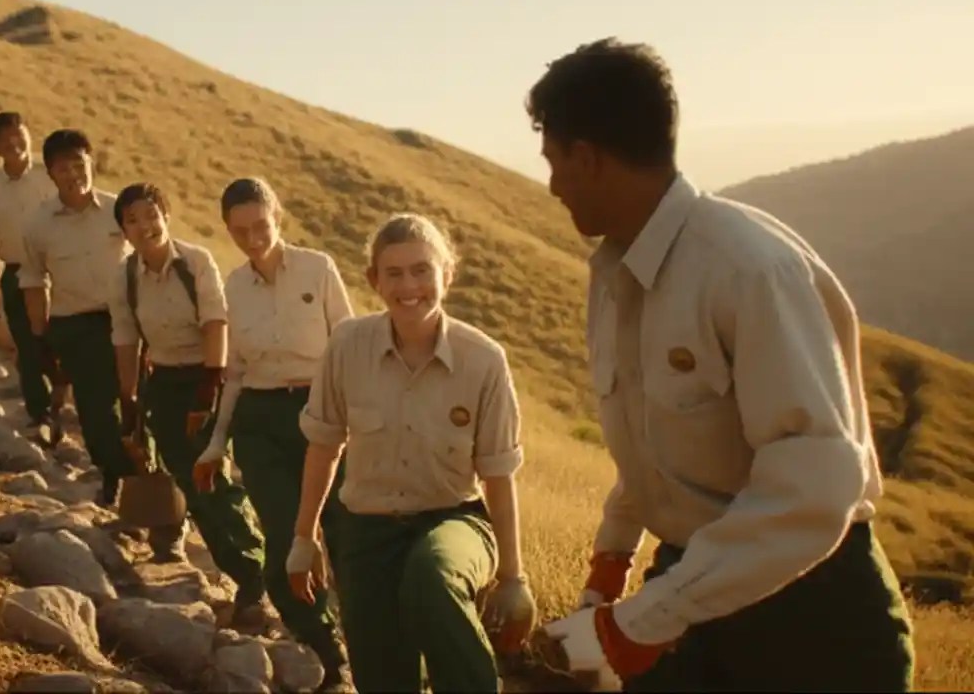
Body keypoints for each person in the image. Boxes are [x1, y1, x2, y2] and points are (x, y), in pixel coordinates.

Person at [528, 38, 915, 692]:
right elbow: (659, 436)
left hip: (812, 611)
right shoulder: (614, 274)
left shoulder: (747, 270)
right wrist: (612, 559)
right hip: (695, 584)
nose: (553, 186)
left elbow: (814, 490)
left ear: (587, 158)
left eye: (555, 162)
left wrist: (645, 619)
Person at [286, 212, 537, 693]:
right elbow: (324, 445)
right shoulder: (348, 346)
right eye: (394, 273)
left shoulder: (483, 360)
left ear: (447, 274)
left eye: (422, 270)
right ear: (373, 281)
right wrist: (304, 538)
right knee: (380, 676)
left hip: (455, 521)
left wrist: (513, 578)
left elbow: (498, 477)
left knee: (433, 575)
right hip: (367, 530)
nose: (410, 287)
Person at [192, 177, 356, 687]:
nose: (252, 238)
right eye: (240, 231)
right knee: (285, 549)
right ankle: (330, 655)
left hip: (323, 413)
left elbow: (349, 347)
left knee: (350, 542)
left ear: (277, 217)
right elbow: (236, 371)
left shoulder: (318, 268)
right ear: (228, 229)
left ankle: (381, 653)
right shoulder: (233, 286)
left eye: (260, 225)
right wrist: (217, 442)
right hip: (260, 422)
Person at [107, 182, 267, 616]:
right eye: (132, 220)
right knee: (190, 488)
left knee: (214, 476)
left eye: (150, 214)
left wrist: (208, 392)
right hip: (164, 385)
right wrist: (129, 402)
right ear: (123, 230)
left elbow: (216, 321)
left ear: (166, 215)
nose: (144, 226)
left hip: (208, 378)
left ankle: (257, 571)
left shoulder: (195, 262)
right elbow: (125, 340)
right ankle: (241, 572)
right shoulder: (124, 276)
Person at [18, 130, 182, 555]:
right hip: (75, 326)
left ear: (93, 162)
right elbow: (34, 280)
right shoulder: (38, 224)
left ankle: (167, 522)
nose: (73, 175)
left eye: (80, 164)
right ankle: (119, 474)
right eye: (63, 168)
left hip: (131, 319)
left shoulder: (118, 211)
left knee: (146, 412)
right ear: (50, 173)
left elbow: (153, 255)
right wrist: (40, 338)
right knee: (95, 419)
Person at [0, 112, 63, 442]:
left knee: (59, 344)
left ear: (29, 135)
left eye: (19, 134)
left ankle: (61, 404)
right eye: (5, 138)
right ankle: (39, 412)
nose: (13, 143)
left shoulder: (50, 176)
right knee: (26, 346)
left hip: (60, 273)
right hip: (17, 272)